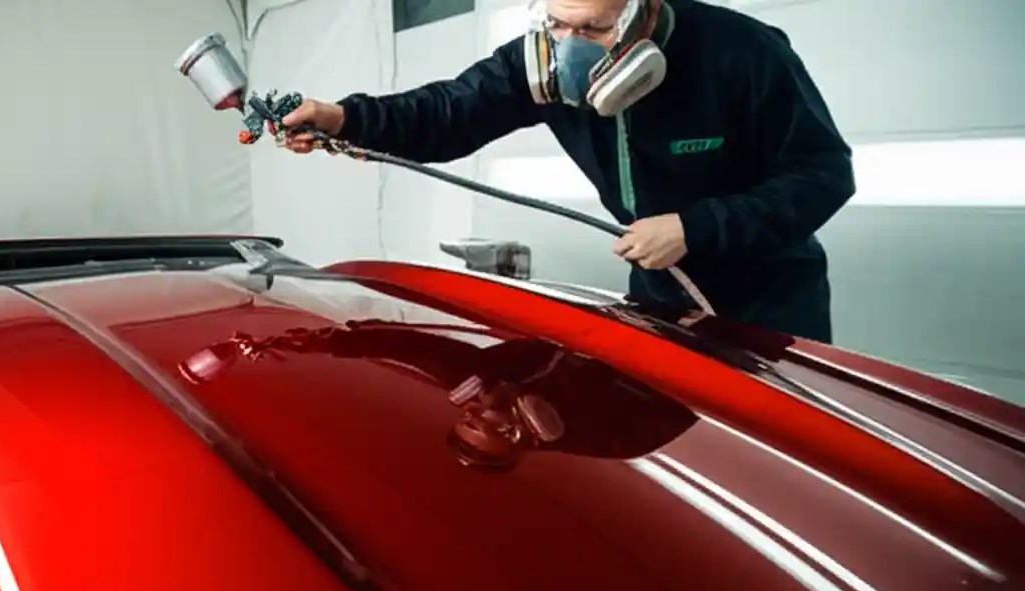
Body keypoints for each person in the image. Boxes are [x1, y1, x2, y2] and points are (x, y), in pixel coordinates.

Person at [280, 0, 855, 342]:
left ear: (647, 11)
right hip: (660, 299)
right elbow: (445, 113)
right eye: (557, 23)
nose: (572, 48)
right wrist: (345, 117)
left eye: (596, 29)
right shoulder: (540, 63)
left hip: (772, 308)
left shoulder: (743, 52)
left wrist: (696, 228)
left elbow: (822, 174)